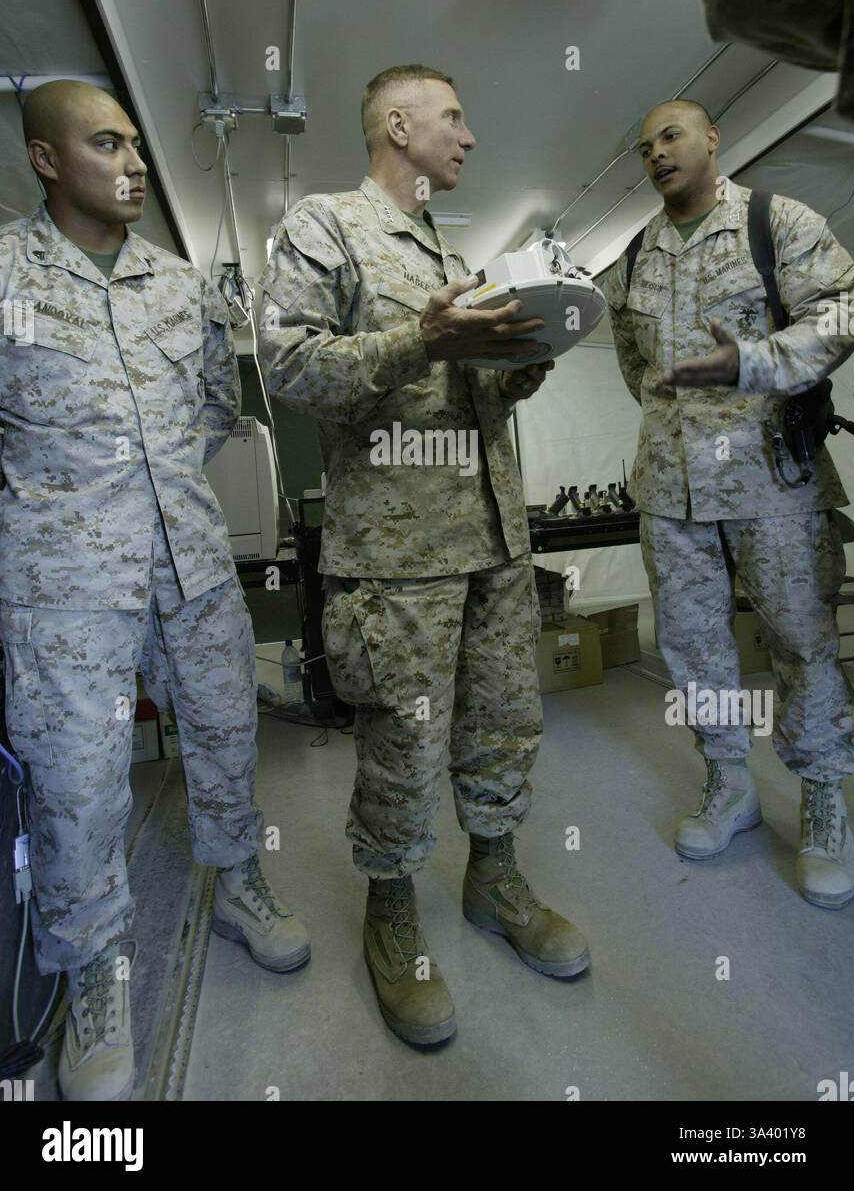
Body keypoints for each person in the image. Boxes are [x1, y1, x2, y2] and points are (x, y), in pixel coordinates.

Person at [258, 63, 589, 1047]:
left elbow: (459, 390)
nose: (470, 137)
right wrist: (423, 338)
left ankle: (495, 878)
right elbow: (287, 363)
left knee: (503, 719)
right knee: (402, 745)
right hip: (396, 556)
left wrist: (512, 375)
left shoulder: (450, 251)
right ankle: (393, 915)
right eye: (455, 116)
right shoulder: (325, 226)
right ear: (396, 127)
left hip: (491, 540)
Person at [0, 80, 308, 1101]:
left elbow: (216, 400)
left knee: (224, 729)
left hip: (190, 563)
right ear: (46, 160)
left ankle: (238, 881)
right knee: (77, 782)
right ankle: (93, 971)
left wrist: (153, 480)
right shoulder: (0, 275)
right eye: (104, 144)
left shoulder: (181, 285)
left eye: (134, 141)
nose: (131, 162)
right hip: (64, 582)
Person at [603, 97, 854, 908]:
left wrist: (751, 362)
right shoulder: (636, 253)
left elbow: (844, 311)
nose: (657, 155)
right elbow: (633, 361)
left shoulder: (775, 222)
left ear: (713, 140)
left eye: (671, 136)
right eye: (645, 147)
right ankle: (730, 784)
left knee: (801, 639)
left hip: (769, 482)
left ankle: (823, 802)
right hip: (672, 493)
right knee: (689, 644)